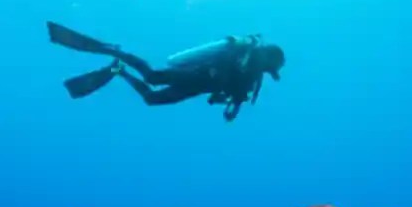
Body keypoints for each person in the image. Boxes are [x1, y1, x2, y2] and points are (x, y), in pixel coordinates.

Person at [46, 22, 285, 122]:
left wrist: (232, 108)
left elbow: (232, 99)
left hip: (200, 87)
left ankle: (119, 70)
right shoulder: (249, 56)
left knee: (152, 99)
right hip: (201, 74)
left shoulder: (253, 76)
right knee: (153, 77)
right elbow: (229, 70)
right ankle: (118, 52)